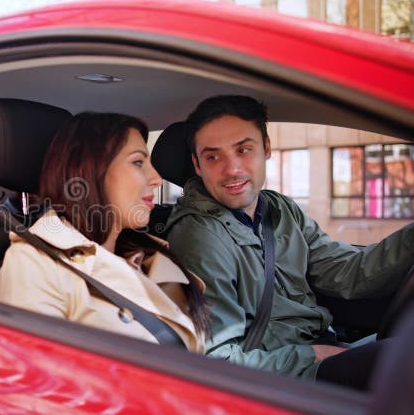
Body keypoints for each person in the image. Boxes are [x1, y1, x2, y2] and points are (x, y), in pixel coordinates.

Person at [165, 95, 414, 389]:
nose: (232, 169)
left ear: (267, 148)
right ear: (197, 164)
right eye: (213, 157)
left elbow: (348, 273)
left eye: (244, 149)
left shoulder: (279, 210)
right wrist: (309, 354)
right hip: (283, 376)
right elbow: (219, 359)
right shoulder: (199, 235)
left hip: (319, 347)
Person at [0, 112, 210, 352]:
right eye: (138, 162)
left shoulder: (150, 253)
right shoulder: (34, 264)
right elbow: (38, 378)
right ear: (90, 170)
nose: (156, 178)